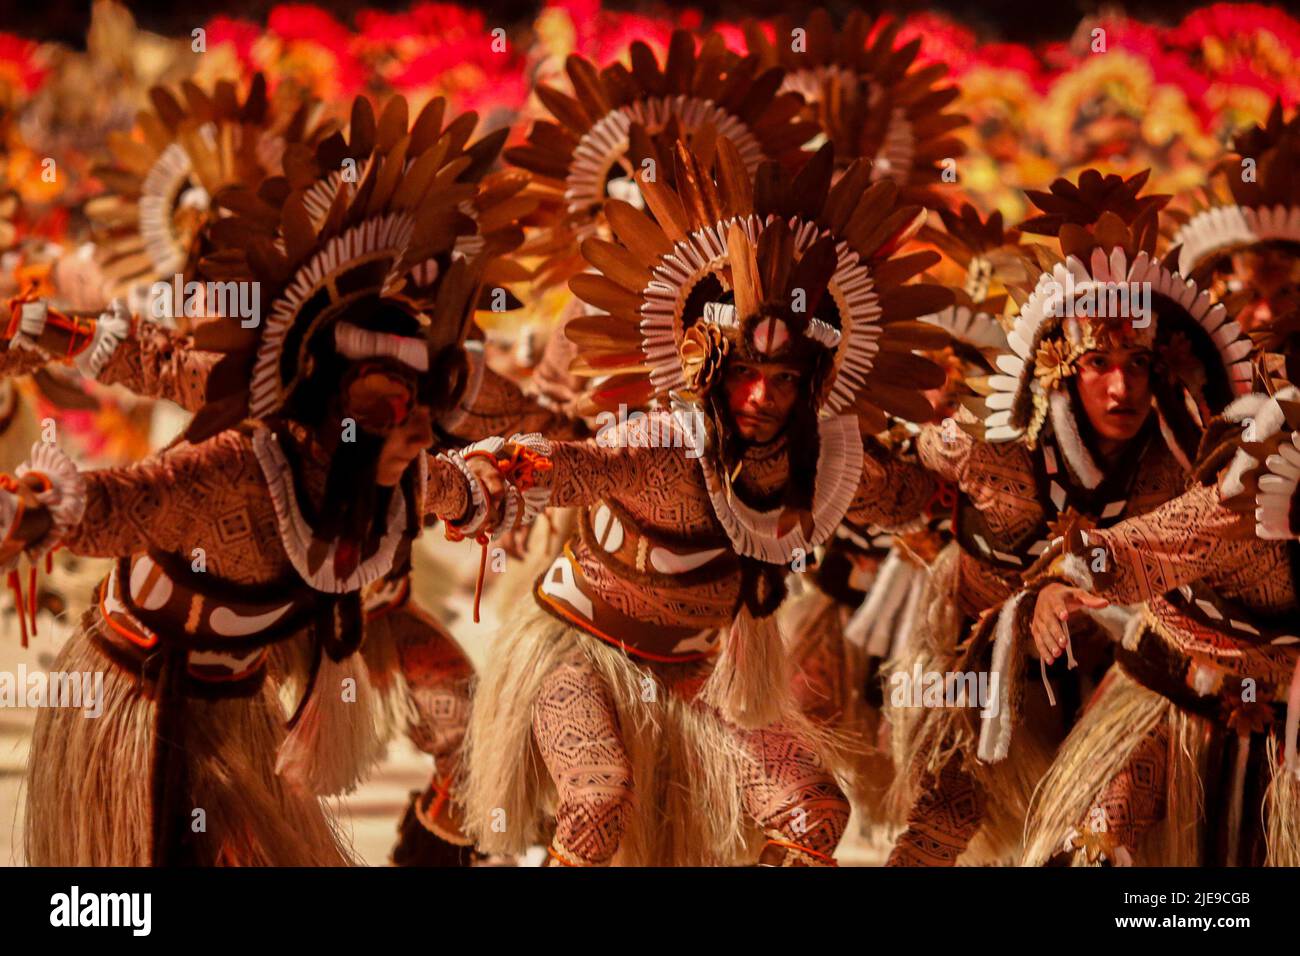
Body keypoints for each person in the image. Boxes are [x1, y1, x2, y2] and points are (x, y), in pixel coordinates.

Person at [420, 140, 952, 866]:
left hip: (701, 671)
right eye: (745, 373)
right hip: (577, 652)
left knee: (814, 814)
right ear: (709, 370)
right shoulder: (666, 444)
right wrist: (459, 481)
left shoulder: (826, 463)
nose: (762, 396)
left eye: (785, 379)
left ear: (814, 385)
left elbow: (917, 496)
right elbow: (570, 467)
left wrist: (968, 466)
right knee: (599, 802)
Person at [884, 169, 1255, 865]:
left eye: (1139, 363)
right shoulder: (995, 452)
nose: (1123, 386)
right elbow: (906, 477)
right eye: (1099, 362)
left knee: (1098, 827)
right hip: (983, 662)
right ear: (1058, 369)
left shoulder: (1180, 466)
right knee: (949, 809)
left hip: (1114, 675)